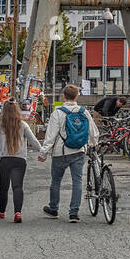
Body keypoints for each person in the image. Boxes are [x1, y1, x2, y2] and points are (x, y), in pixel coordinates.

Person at [39, 83, 99, 221]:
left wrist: (43, 153)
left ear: (64, 96)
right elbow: (93, 132)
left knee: (56, 181)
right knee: (77, 181)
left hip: (61, 152)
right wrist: (92, 144)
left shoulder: (58, 113)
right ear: (77, 96)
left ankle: (53, 209)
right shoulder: (84, 112)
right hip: (79, 151)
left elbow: (50, 136)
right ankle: (74, 213)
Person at [0, 100, 42, 222]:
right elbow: (33, 141)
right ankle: (17, 213)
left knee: (3, 188)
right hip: (19, 159)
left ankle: (2, 211)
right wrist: (43, 152)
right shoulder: (23, 125)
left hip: (2, 160)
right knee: (17, 186)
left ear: (3, 111)